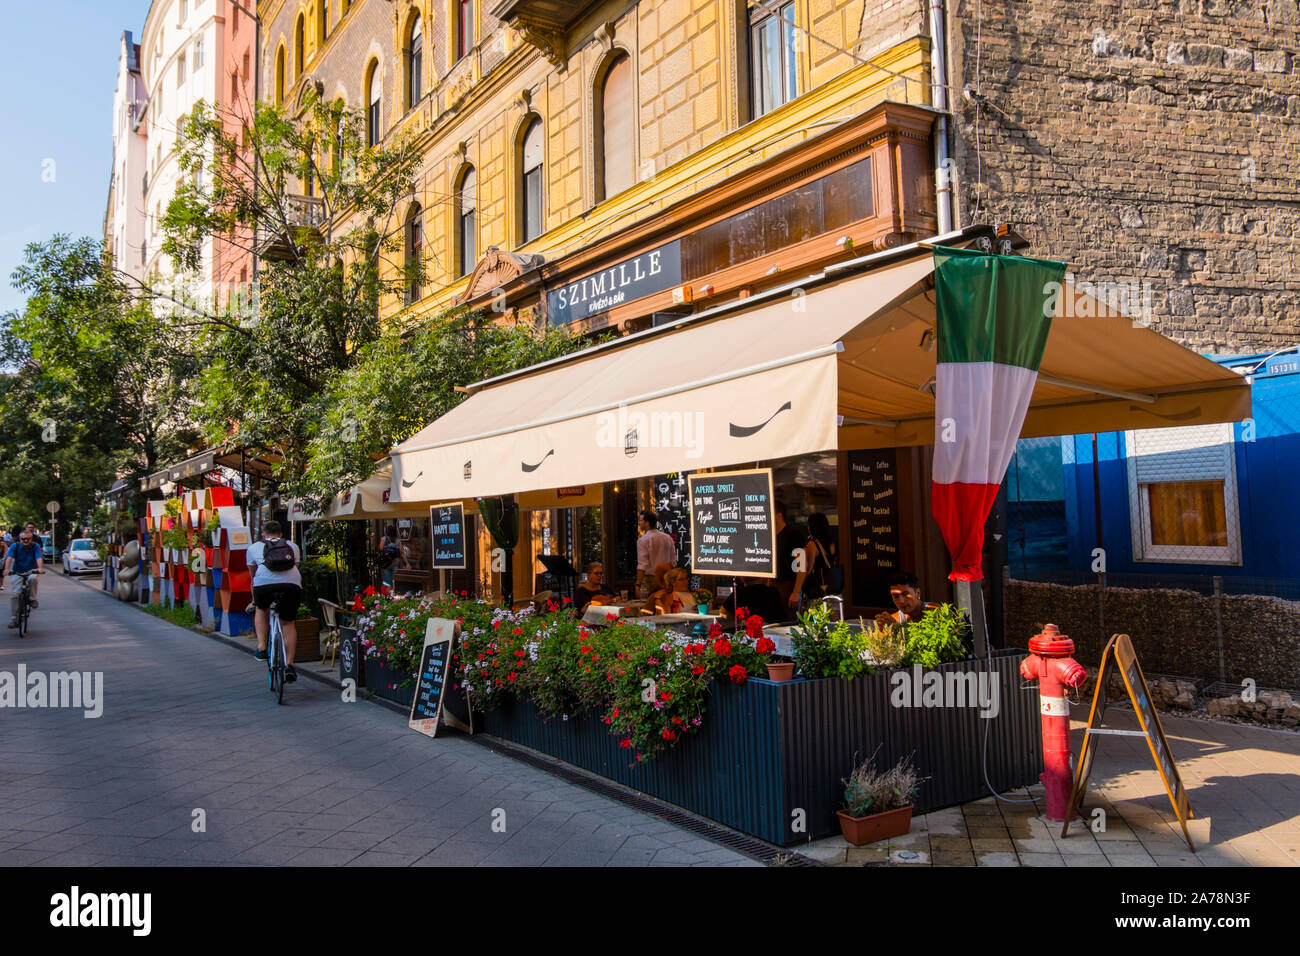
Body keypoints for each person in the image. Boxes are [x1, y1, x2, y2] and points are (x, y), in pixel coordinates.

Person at [247, 520, 302, 683]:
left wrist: (254, 601)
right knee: (288, 623)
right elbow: (294, 567)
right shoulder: (292, 546)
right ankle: (290, 665)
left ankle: (262, 647)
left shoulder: (253, 548)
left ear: (263, 534)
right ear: (281, 534)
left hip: (264, 585)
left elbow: (253, 577)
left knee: (261, 608)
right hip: (291, 585)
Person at [789, 511, 838, 613]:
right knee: (834, 624)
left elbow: (810, 568)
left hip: (818, 592)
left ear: (812, 527)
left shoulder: (813, 544)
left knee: (816, 624)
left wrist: (797, 590)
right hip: (833, 590)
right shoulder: (832, 543)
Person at [6, 529, 45, 628]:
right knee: (15, 594)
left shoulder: (35, 546)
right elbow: (9, 558)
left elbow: (38, 558)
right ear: (20, 539)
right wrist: (7, 569)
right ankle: (14, 619)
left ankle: (33, 599)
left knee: (33, 578)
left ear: (31, 539)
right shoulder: (15, 546)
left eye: (28, 539)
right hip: (17, 571)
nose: (25, 541)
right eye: (23, 539)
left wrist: (40, 568)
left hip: (31, 570)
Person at [635, 511, 677, 599]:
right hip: (666, 578)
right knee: (666, 603)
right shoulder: (668, 538)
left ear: (647, 523)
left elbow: (642, 564)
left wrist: (638, 584)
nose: (639, 523)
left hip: (650, 579)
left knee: (648, 605)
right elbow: (673, 563)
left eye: (641, 520)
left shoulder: (643, 540)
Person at [874, 572, 939, 627]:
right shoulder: (895, 618)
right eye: (896, 596)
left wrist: (897, 628)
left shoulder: (934, 610)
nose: (901, 601)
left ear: (918, 593)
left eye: (905, 594)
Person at [773, 502, 797, 611]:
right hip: (773, 586)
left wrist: (796, 592)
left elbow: (801, 565)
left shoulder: (792, 534)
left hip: (788, 585)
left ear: (779, 516)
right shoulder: (771, 536)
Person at [378, 524, 399, 590]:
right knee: (393, 579)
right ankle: (392, 592)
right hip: (395, 562)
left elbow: (380, 549)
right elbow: (401, 551)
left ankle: (388, 594)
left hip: (386, 563)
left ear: (387, 531)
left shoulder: (384, 539)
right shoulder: (397, 540)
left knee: (387, 580)